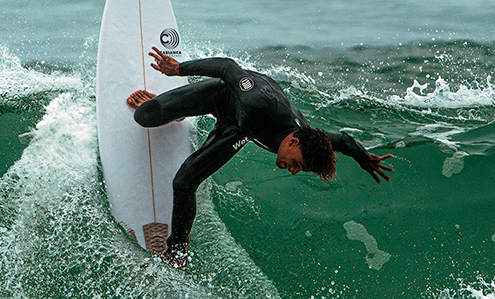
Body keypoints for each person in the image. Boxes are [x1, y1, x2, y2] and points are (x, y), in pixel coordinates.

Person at [127, 48, 394, 262]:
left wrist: (365, 159)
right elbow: (228, 67)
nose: (292, 170)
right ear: (293, 140)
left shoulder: (311, 140)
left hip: (240, 129)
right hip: (225, 97)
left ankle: (176, 250)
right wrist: (177, 69)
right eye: (297, 164)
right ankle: (178, 110)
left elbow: (344, 140)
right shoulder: (259, 104)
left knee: (185, 182)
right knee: (144, 116)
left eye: (298, 169)